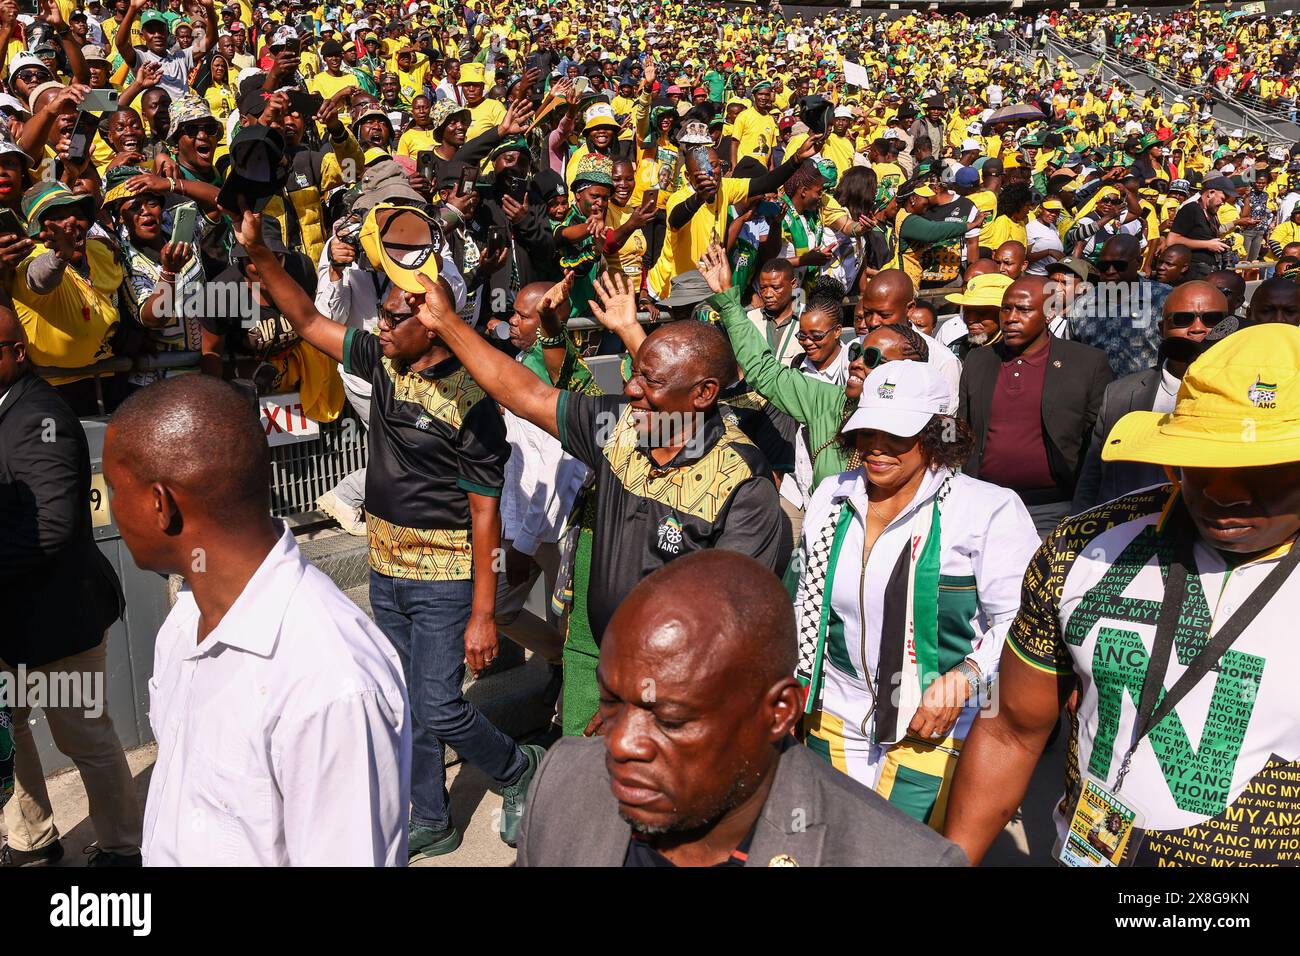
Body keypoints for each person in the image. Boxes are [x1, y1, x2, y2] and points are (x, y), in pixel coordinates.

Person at [236, 207, 543, 859]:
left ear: (432, 323)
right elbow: (310, 321)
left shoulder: (475, 405)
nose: (380, 321)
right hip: (385, 568)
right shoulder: (382, 358)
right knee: (405, 705)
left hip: (445, 579)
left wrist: (483, 615)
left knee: (440, 707)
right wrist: (262, 255)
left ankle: (520, 771)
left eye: (397, 313)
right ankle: (430, 815)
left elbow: (486, 516)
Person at [946, 324, 1300, 868]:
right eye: (1204, 460)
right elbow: (1012, 730)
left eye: (1263, 466)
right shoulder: (1084, 547)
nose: (1226, 491)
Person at [103, 375, 410, 866]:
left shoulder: (331, 684)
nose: (112, 507)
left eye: (116, 489)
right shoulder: (183, 626)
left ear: (161, 505)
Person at [516, 550, 967, 867]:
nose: (620, 743)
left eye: (670, 719)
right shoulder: (562, 783)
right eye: (612, 702)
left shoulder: (898, 857)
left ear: (780, 712)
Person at [794, 359, 1040, 827]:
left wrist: (966, 677)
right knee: (833, 846)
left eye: (898, 436)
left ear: (934, 436)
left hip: (932, 723)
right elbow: (804, 595)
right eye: (868, 433)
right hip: (834, 712)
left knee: (904, 852)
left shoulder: (987, 510)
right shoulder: (831, 494)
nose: (877, 450)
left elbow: (1021, 621)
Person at [0, 302, 136, 868]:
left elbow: (51, 527)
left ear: (17, 352)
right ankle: (32, 838)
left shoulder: (38, 417)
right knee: (15, 732)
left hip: (58, 618)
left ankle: (123, 848)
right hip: (12, 618)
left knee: (86, 739)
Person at [958, 276, 1113, 536]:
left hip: (1054, 509)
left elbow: (1098, 442)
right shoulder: (979, 360)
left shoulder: (1087, 363)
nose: (1010, 317)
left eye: (1024, 309)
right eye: (1006, 309)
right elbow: (963, 429)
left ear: (1049, 313)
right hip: (984, 504)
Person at [1072, 280, 1228, 513]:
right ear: (1161, 329)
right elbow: (1093, 479)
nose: (1198, 328)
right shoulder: (1119, 394)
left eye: (1212, 319)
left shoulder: (1256, 396)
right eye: (1183, 319)